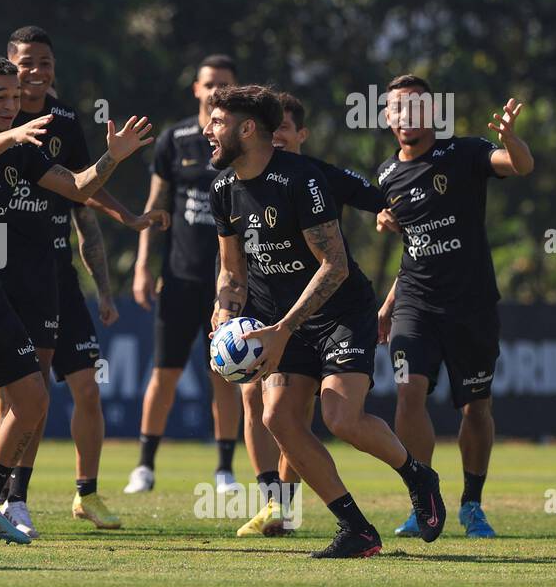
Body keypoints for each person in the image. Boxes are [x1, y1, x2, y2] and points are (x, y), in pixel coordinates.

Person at [0, 54, 152, 547]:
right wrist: (14, 136)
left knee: (32, 397)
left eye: (13, 96)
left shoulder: (22, 148)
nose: (10, 103)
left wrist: (113, 157)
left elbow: (79, 187)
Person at [206, 84, 445, 558]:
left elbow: (333, 266)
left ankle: (417, 474)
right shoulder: (222, 189)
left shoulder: (302, 179)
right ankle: (356, 528)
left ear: (247, 129)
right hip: (277, 321)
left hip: (337, 311)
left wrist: (284, 329)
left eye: (216, 122)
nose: (207, 130)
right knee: (278, 418)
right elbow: (232, 271)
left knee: (341, 418)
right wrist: (226, 311)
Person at [375, 75, 532, 538]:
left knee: (475, 408)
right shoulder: (386, 176)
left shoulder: (463, 153)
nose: (406, 117)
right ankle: (423, 499)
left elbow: (520, 165)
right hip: (415, 305)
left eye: (415, 108)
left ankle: (471, 504)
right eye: (397, 109)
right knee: (408, 393)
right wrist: (388, 305)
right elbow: (413, 250)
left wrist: (511, 139)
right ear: (388, 118)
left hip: (472, 306)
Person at [234, 92, 386, 537]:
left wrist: (387, 215)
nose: (275, 136)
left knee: (312, 415)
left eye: (284, 128)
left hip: (326, 311)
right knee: (265, 406)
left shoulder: (317, 176)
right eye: (270, 128)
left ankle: (286, 505)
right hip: (270, 306)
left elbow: (379, 199)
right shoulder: (239, 179)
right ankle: (276, 503)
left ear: (301, 134)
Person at [127, 55, 243, 496]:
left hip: (228, 282)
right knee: (165, 372)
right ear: (196, 88)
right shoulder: (174, 139)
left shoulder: (242, 141)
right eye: (209, 83)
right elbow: (155, 208)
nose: (215, 90)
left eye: (224, 84)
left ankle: (225, 469)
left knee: (224, 374)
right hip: (178, 277)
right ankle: (144, 465)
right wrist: (142, 266)